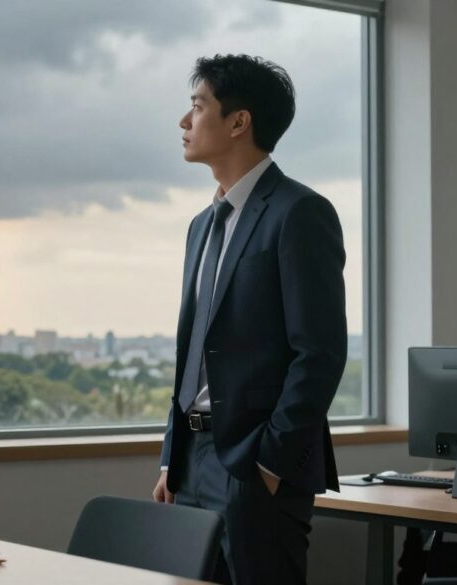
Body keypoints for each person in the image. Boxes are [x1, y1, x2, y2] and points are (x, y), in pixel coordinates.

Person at [151, 54, 347, 585]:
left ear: (239, 122)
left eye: (197, 106)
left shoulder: (299, 212)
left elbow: (320, 353)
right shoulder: (200, 225)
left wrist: (268, 465)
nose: (184, 122)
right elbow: (193, 350)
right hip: (192, 461)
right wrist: (174, 457)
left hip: (254, 465)